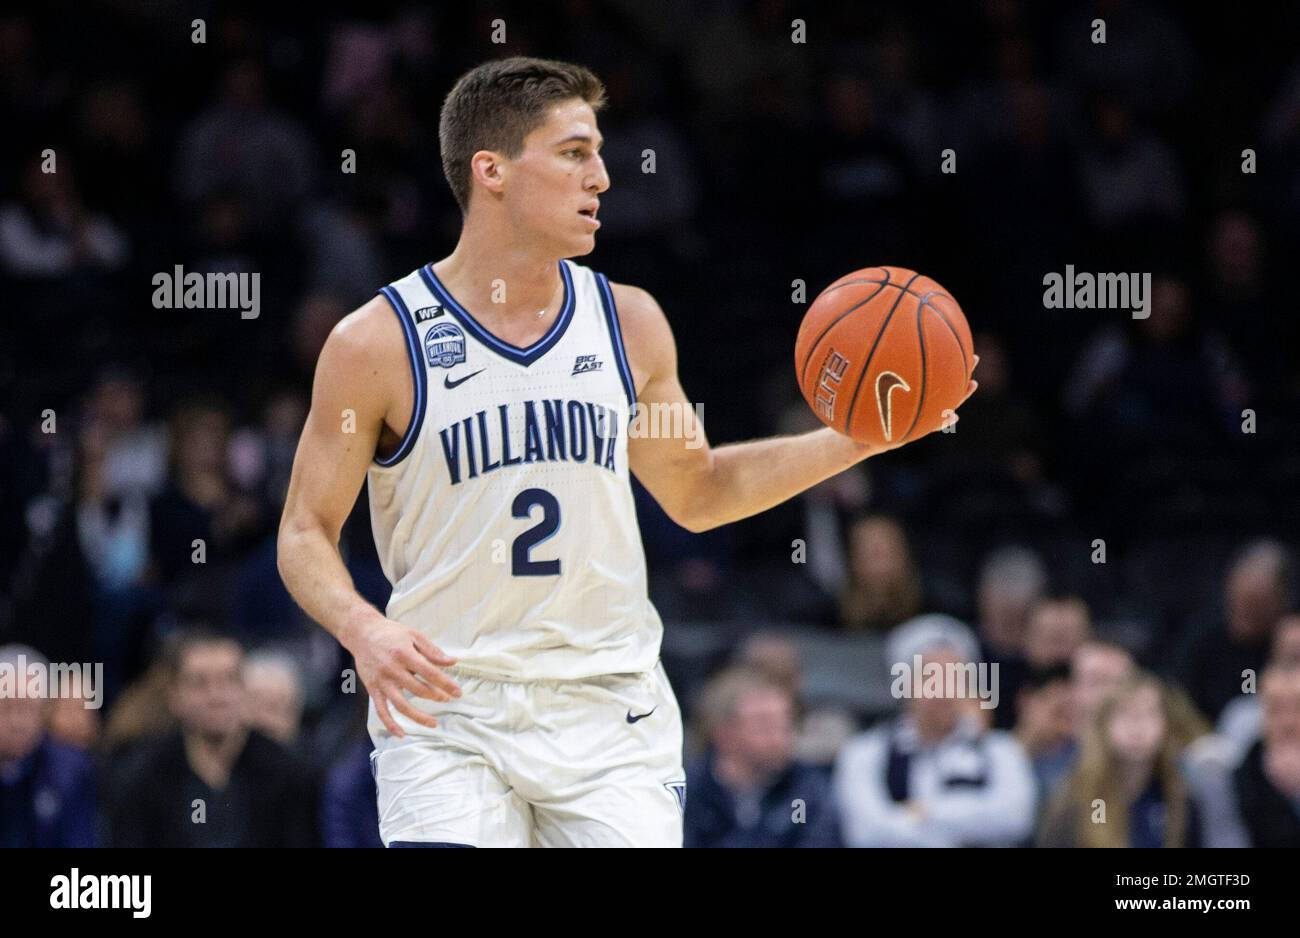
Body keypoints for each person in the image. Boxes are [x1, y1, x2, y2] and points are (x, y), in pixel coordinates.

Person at [276, 56, 977, 848]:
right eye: (575, 152)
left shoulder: (630, 323)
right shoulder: (376, 342)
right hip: (450, 707)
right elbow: (304, 530)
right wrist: (363, 631)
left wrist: (860, 437)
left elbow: (700, 490)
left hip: (609, 710)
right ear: (492, 170)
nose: (604, 177)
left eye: (600, 152)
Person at [833, 615, 1036, 847]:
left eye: (954, 679)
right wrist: (968, 824)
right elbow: (865, 833)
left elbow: (1015, 818)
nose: (943, 692)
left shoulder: (1001, 750)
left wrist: (926, 812)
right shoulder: (865, 752)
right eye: (931, 679)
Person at [107, 630, 316, 847]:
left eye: (229, 680)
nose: (216, 696)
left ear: (245, 690)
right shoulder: (141, 776)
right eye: (199, 683)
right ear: (174, 695)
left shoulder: (291, 776)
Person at [1037, 672, 1208, 848]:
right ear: (1103, 726)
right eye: (1124, 713)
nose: (1137, 726)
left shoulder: (1178, 797)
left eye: (1149, 713)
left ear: (1167, 725)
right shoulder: (1083, 798)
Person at [684, 667, 838, 848]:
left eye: (785, 725)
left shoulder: (803, 793)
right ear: (723, 734)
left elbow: (814, 838)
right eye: (764, 725)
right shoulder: (688, 792)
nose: (779, 738)